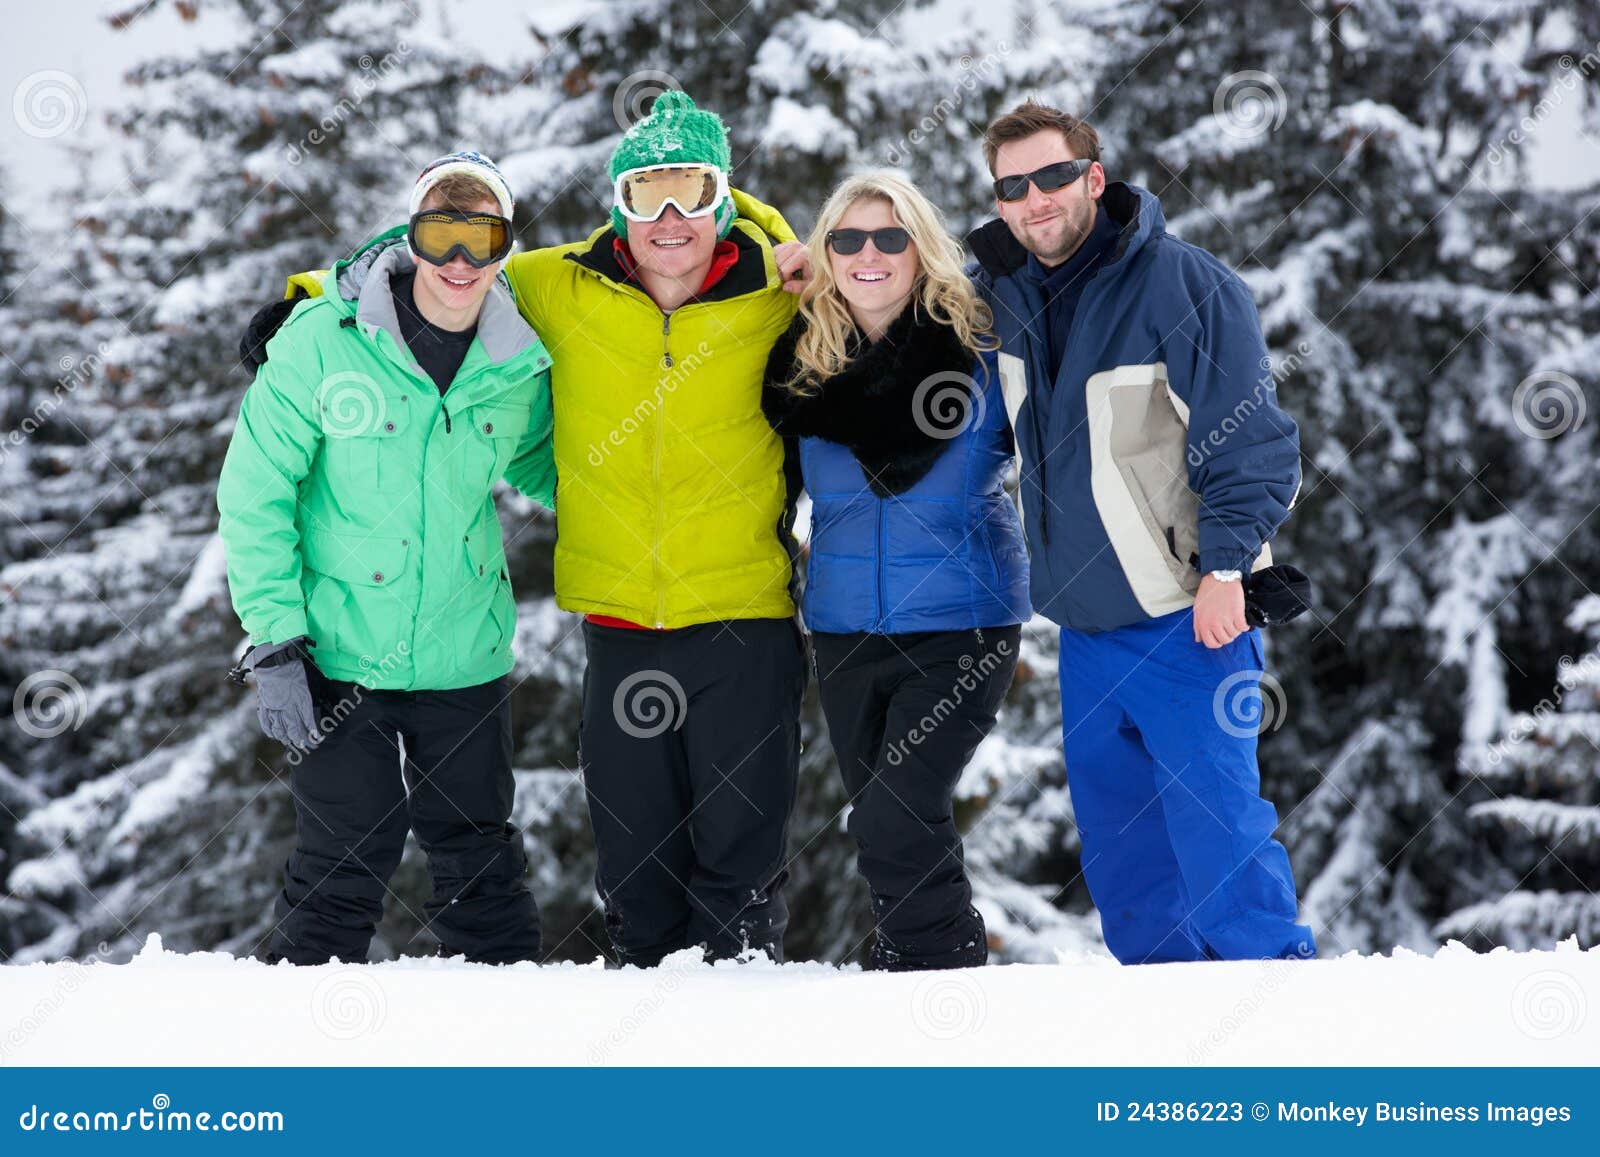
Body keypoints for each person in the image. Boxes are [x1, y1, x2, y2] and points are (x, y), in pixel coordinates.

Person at [243, 94, 812, 968]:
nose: (668, 218)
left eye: (690, 192)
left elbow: (886, 274)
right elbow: (421, 281)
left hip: (694, 619)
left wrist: (788, 245)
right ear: (616, 202)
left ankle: (662, 1044)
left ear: (721, 196)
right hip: (494, 633)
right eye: (646, 193)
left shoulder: (774, 287)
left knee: (683, 867)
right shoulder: (539, 288)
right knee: (368, 860)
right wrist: (310, 296)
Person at [967, 101, 1316, 963]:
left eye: (1052, 176)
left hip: (1186, 619)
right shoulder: (999, 298)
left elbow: (1254, 445)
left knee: (1223, 848)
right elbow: (891, 310)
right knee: (1128, 874)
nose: (1034, 199)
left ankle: (1282, 1020)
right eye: (1013, 186)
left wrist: (1227, 570)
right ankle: (1167, 1044)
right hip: (1085, 631)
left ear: (1094, 176)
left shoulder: (1183, 284)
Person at [217, 151, 553, 964]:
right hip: (338, 654)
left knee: (482, 864)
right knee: (343, 858)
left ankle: (519, 1050)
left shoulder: (517, 362)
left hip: (460, 650)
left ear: (507, 244)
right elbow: (255, 494)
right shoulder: (322, 344)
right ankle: (297, 1050)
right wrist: (275, 640)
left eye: (484, 238)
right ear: (412, 236)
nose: (462, 262)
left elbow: (557, 472)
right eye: (443, 236)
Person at [761, 172, 1029, 970]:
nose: (867, 255)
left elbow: (1071, 449)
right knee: (880, 817)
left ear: (921, 248)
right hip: (845, 629)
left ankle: (936, 970)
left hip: (964, 622)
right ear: (824, 255)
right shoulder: (802, 361)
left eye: (890, 238)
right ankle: (913, 971)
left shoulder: (982, 341)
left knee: (897, 810)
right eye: (847, 240)